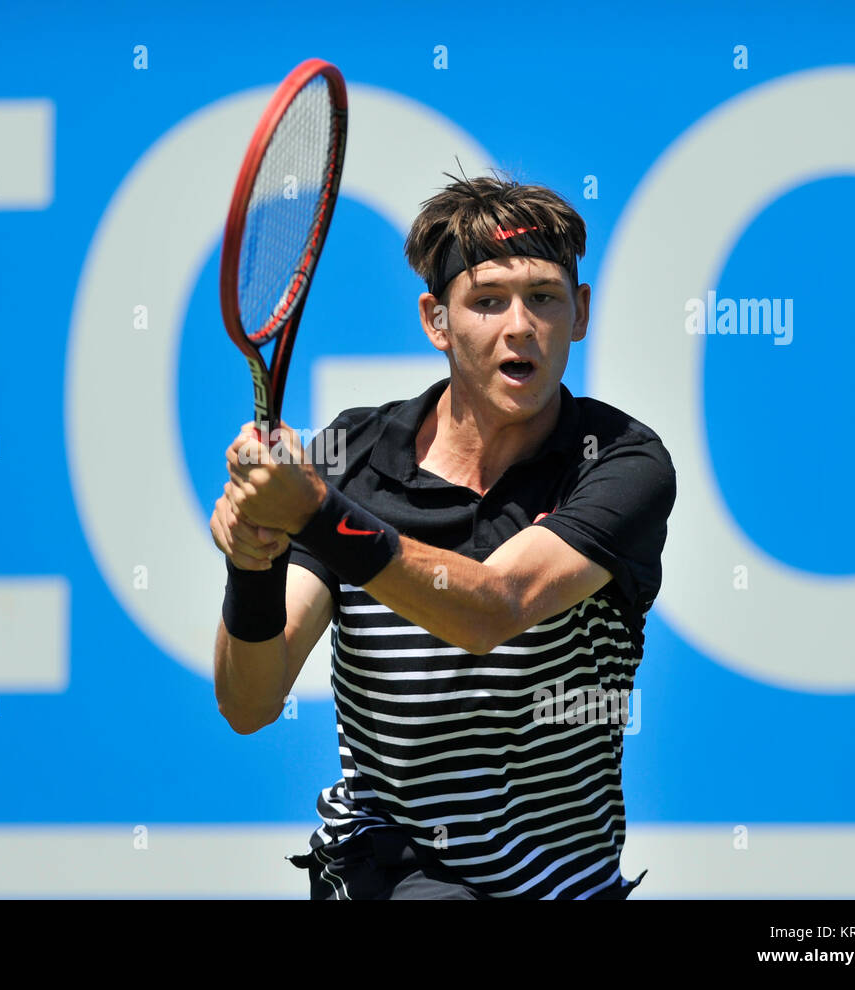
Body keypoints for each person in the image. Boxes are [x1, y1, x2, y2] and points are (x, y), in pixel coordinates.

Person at [210, 171, 675, 899]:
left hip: (565, 881)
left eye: (544, 298)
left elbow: (495, 607)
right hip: (391, 862)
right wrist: (252, 563)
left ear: (580, 313)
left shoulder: (620, 461)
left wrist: (315, 515)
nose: (519, 324)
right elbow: (250, 702)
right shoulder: (350, 457)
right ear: (436, 320)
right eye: (487, 301)